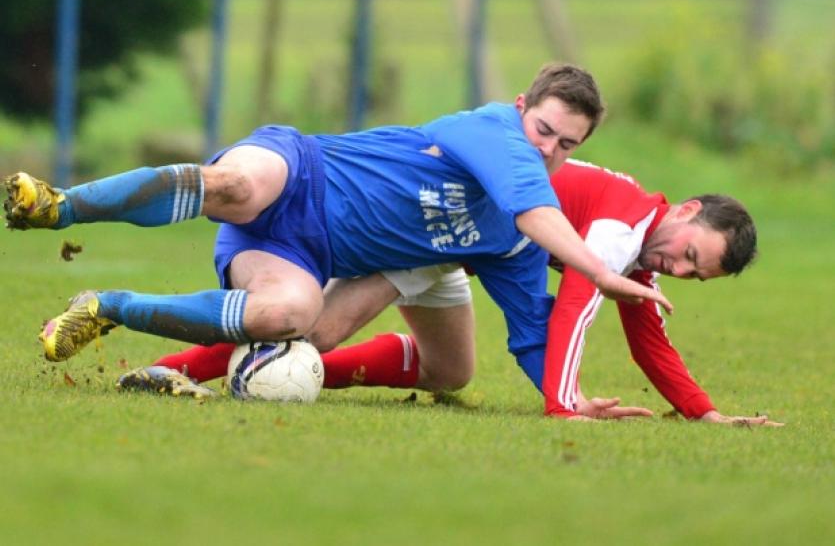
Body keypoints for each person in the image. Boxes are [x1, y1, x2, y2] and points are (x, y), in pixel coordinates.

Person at [3, 64, 672, 366]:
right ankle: (58, 207)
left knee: (288, 317)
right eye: (544, 129)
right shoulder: (490, 129)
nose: (549, 148)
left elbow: (532, 336)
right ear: (522, 106)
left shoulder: (513, 239)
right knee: (237, 182)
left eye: (566, 144)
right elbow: (530, 203)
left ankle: (108, 306)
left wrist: (568, 398)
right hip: (297, 167)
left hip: (302, 254)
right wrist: (601, 273)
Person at [126, 159, 781, 426]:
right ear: (685, 209)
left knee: (449, 370)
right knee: (312, 327)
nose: (680, 268)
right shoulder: (623, 222)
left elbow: (648, 339)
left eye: (696, 274)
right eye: (690, 254)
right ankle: (168, 370)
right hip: (431, 226)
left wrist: (703, 413)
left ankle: (283, 373)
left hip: (466, 251)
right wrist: (563, 402)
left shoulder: (640, 251)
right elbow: (578, 300)